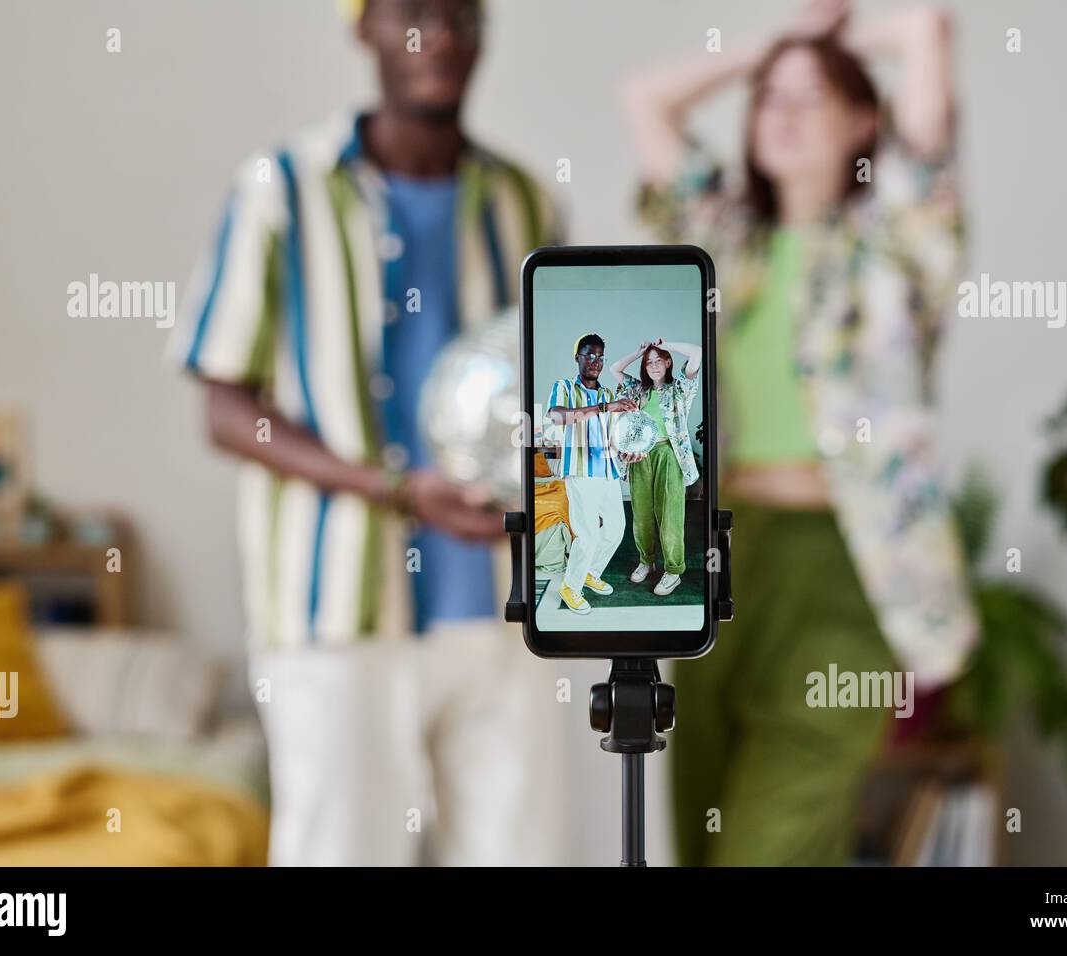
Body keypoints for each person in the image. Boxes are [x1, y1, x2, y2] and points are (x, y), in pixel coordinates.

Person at [170, 0, 563, 865]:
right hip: (336, 602)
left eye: (462, 14)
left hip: (502, 603)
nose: (444, 36)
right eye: (415, 13)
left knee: (516, 851)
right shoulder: (281, 189)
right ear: (365, 30)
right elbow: (226, 406)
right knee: (340, 850)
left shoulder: (525, 202)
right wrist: (392, 490)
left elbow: (554, 387)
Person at [624, 0, 978, 865]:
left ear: (864, 120)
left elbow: (928, 30)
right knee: (699, 834)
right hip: (714, 563)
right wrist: (775, 53)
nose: (779, 114)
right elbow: (643, 99)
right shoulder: (726, 244)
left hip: (850, 569)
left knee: (768, 848)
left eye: (810, 98)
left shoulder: (896, 244)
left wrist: (828, 42)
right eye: (766, 98)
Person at [545, 333, 638, 615]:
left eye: (600, 357)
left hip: (607, 470)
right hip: (580, 470)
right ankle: (570, 587)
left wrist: (628, 450)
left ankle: (589, 572)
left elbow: (612, 435)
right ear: (578, 358)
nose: (596, 362)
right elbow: (557, 416)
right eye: (590, 355)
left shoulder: (608, 394)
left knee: (615, 530)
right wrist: (603, 408)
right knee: (587, 535)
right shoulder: (564, 387)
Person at [609, 338, 702, 596]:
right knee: (641, 515)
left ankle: (673, 571)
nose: (653, 365)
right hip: (641, 456)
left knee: (670, 515)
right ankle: (646, 561)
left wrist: (667, 344)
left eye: (658, 360)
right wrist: (639, 352)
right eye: (648, 362)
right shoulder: (638, 390)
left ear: (668, 361)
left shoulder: (679, 388)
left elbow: (697, 352)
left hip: (669, 454)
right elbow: (614, 369)